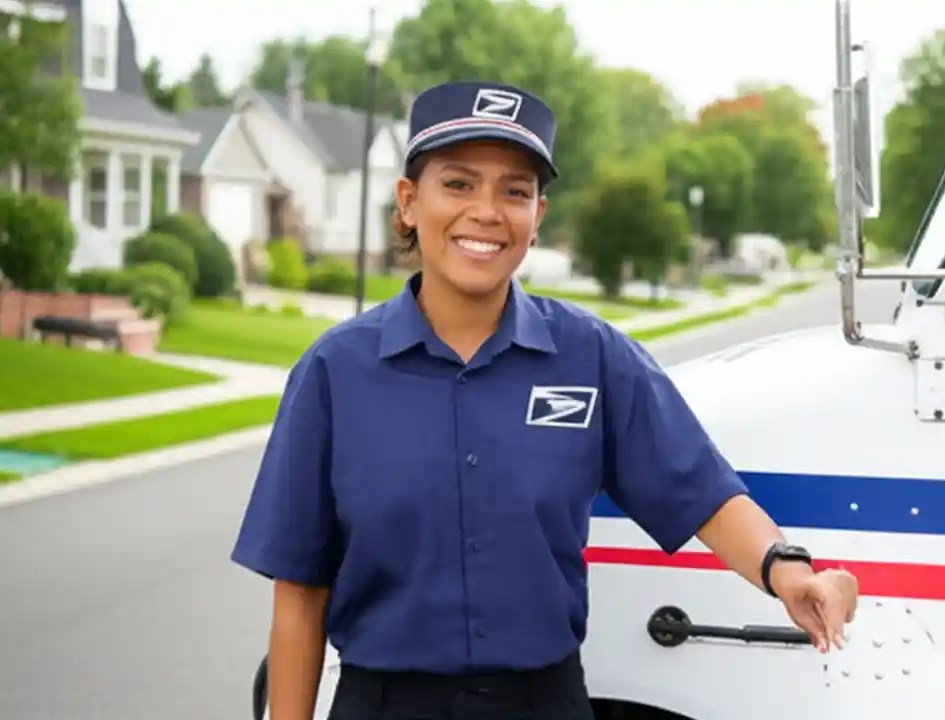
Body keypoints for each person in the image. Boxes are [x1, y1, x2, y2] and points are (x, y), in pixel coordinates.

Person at [230, 79, 859, 720]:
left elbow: (702, 490)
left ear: (538, 218)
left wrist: (788, 569)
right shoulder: (335, 372)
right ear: (409, 202)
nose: (487, 210)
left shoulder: (593, 357)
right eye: (458, 183)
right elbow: (300, 595)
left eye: (515, 190)